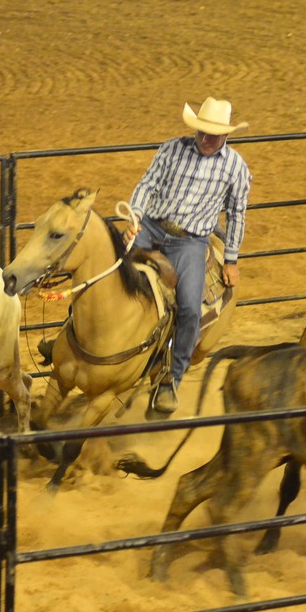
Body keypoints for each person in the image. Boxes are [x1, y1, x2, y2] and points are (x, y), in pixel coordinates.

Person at [125, 97, 252, 415]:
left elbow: (237, 214)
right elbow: (147, 184)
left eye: (214, 135)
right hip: (151, 226)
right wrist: (135, 217)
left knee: (191, 309)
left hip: (190, 242)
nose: (207, 140)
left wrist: (232, 258)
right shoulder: (171, 148)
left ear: (226, 135)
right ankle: (73, 332)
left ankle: (170, 380)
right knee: (108, 265)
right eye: (202, 133)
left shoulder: (236, 168)